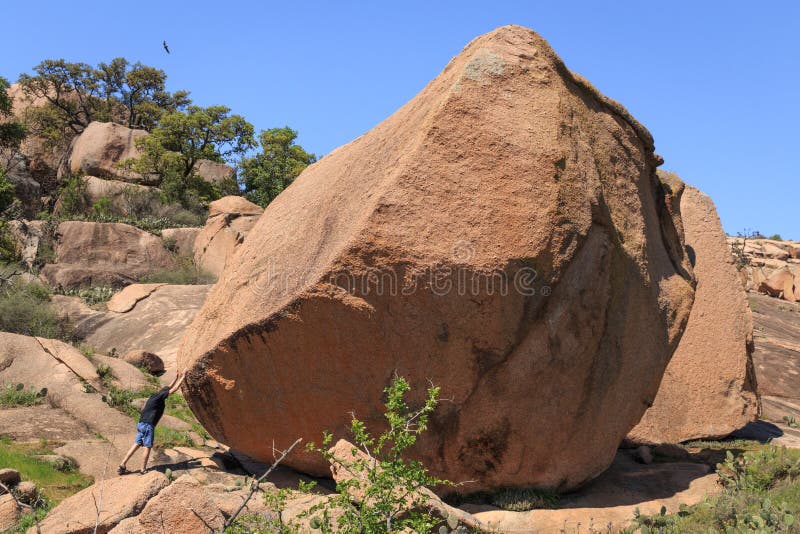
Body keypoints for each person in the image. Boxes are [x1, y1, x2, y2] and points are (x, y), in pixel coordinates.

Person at [118, 370, 186, 475]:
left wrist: (176, 377)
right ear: (163, 394)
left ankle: (123, 464)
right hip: (148, 425)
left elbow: (168, 386)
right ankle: (143, 469)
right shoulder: (160, 397)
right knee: (147, 447)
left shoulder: (154, 396)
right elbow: (174, 389)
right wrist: (183, 377)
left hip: (141, 423)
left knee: (136, 444)